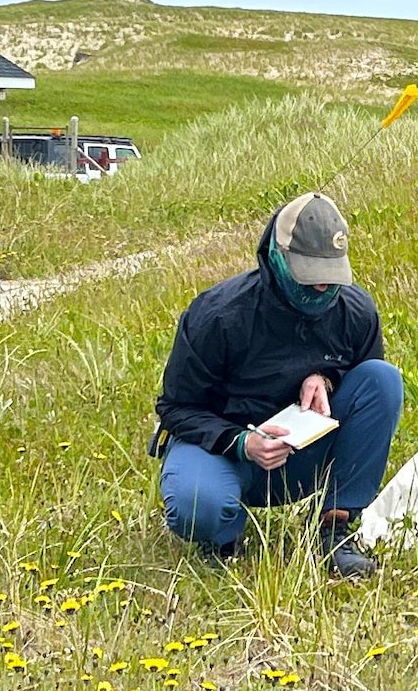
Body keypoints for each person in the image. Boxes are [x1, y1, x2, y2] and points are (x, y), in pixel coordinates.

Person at [153, 191, 403, 583]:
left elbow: (364, 382)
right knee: (196, 504)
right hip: (223, 452)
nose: (322, 287)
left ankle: (333, 530)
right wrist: (242, 443)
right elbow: (176, 407)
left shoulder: (355, 311)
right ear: (277, 256)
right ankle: (222, 535)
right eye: (309, 273)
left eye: (331, 275)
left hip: (300, 456)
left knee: (383, 379)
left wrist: (326, 379)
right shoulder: (218, 314)